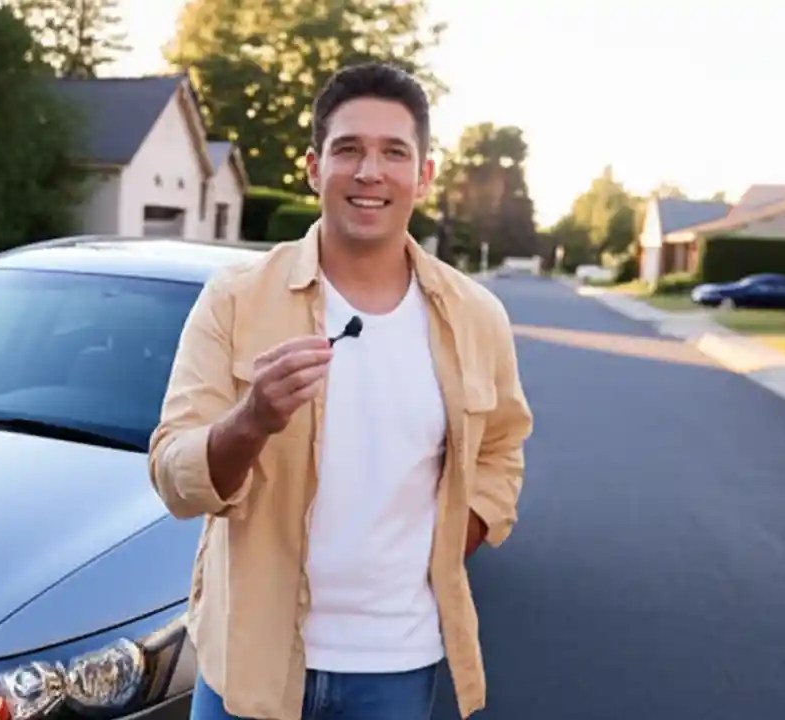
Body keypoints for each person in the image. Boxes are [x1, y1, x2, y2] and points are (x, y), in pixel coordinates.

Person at [147, 61, 534, 720]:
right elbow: (173, 477)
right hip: (250, 659)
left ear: (424, 175)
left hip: (395, 668)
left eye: (393, 152)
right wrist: (251, 420)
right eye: (348, 149)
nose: (369, 171)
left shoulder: (477, 317)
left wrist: (453, 537)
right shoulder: (235, 300)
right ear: (313, 167)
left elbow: (502, 448)